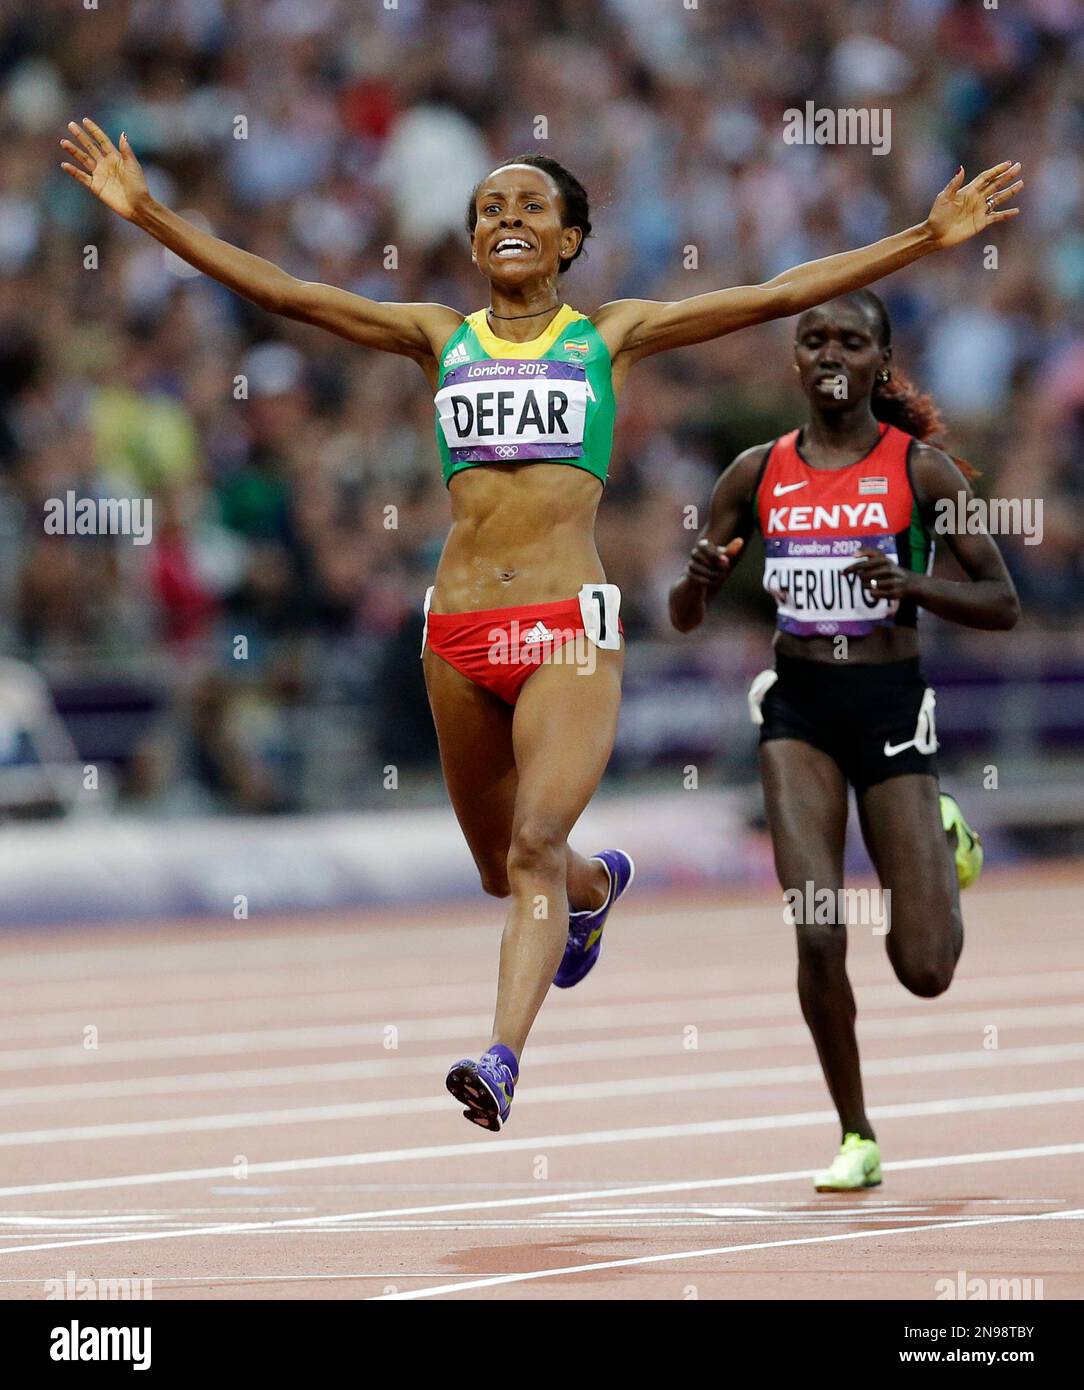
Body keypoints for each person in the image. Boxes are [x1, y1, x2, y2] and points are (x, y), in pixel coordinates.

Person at [62, 116, 1022, 1132]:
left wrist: (922, 237)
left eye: (529, 207)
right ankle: (593, 890)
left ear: (568, 240)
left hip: (568, 624)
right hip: (458, 634)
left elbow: (774, 294)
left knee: (528, 848)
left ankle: (501, 1057)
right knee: (503, 868)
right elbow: (287, 293)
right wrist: (150, 214)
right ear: (473, 241)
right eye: (488, 209)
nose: (506, 218)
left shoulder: (606, 334)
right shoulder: (437, 334)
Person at [669, 290, 1020, 1188]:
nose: (831, 352)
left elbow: (1002, 602)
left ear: (880, 362)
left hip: (892, 711)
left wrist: (912, 585)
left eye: (851, 341)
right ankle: (855, 1134)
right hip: (799, 712)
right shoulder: (755, 472)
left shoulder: (926, 474)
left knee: (927, 970)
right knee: (818, 927)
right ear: (795, 361)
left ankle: (943, 830)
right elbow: (682, 613)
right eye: (814, 338)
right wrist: (701, 579)